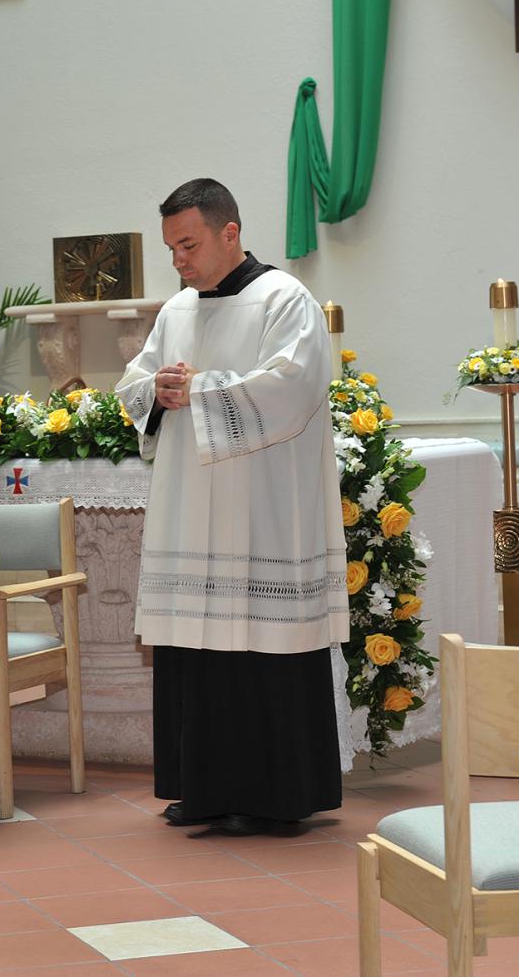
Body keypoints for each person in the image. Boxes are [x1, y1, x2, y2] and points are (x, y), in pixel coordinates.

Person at [115, 178, 348, 836]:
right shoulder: (176, 310)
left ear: (230, 232)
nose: (178, 260)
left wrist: (201, 390)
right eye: (171, 248)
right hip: (190, 507)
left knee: (261, 649)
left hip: (263, 508)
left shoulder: (284, 299)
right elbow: (136, 380)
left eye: (188, 245)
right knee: (198, 649)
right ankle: (205, 789)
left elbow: (294, 386)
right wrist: (155, 390)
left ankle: (274, 795)